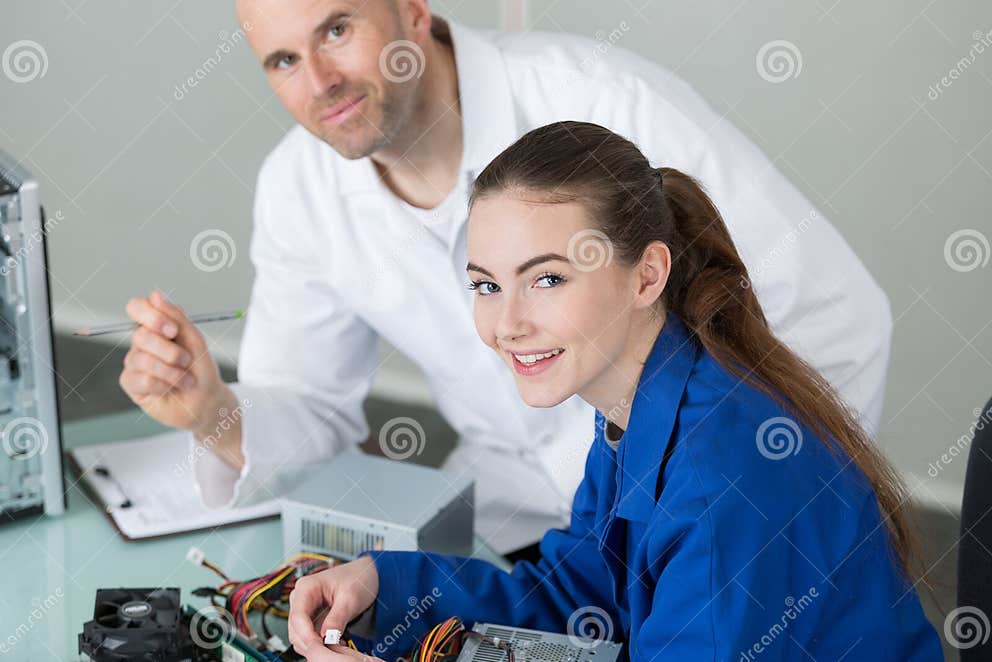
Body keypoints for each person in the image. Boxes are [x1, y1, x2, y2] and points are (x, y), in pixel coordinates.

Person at [118, 0, 894, 558]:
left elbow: (833, 314)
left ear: (413, 12)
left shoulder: (598, 104)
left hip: (693, 527)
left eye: (338, 29)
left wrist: (744, 524)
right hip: (513, 527)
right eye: (284, 60)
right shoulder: (298, 188)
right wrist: (212, 412)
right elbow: (313, 412)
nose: (319, 80)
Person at [285, 121, 940, 661]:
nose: (507, 324)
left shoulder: (720, 485)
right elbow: (581, 602)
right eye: (486, 284)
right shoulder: (635, 411)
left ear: (646, 275)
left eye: (547, 280)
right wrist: (388, 588)